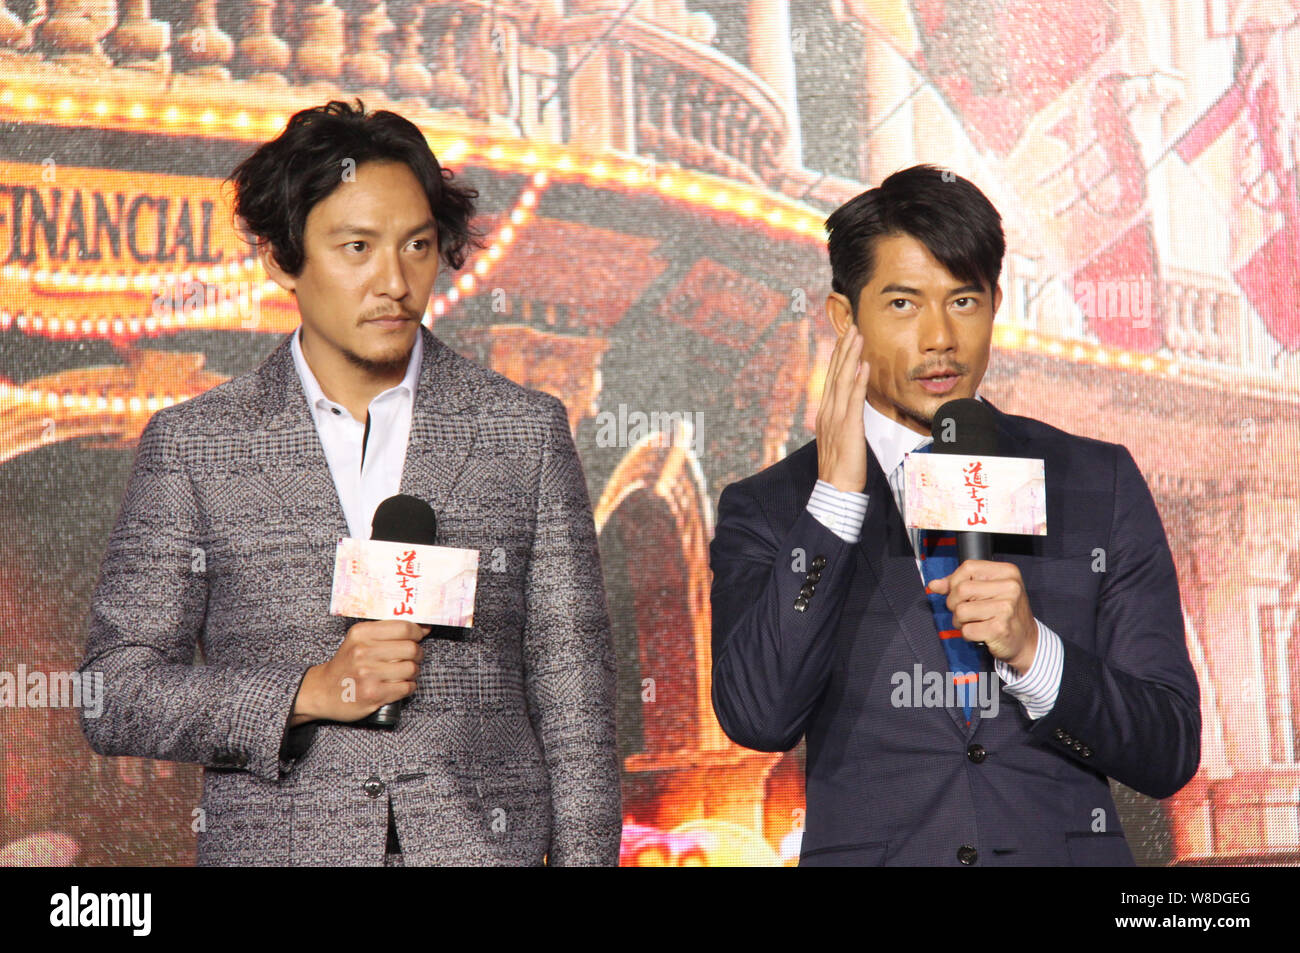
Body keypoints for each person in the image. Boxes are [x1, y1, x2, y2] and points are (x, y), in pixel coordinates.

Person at [79, 101, 621, 866]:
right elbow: (115, 694)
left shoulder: (522, 431)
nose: (393, 283)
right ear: (280, 256)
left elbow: (576, 703)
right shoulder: (196, 444)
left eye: (417, 246)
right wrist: (307, 691)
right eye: (357, 247)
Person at [709, 164, 1200, 866]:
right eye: (904, 304)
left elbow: (1169, 748)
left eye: (963, 300)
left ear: (997, 303)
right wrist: (836, 505)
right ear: (845, 318)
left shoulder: (1098, 482)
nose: (940, 337)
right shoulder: (771, 507)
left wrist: (1036, 654)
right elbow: (759, 715)